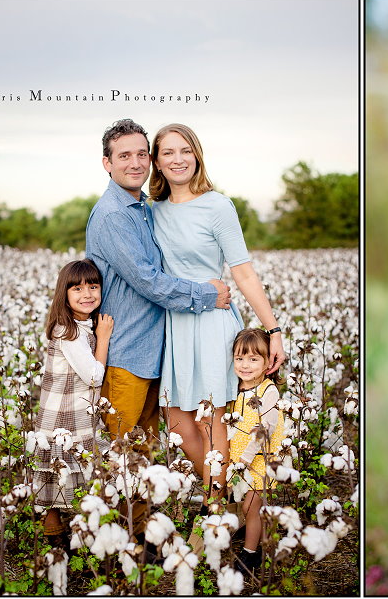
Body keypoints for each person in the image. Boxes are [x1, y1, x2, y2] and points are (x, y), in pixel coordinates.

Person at [86, 119, 232, 538]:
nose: (135, 163)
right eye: (124, 155)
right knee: (123, 457)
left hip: (152, 352)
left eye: (140, 154)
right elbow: (149, 280)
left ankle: (145, 536)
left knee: (145, 454)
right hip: (126, 354)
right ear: (107, 163)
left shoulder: (142, 210)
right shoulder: (115, 215)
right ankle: (121, 546)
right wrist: (208, 294)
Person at [148, 123, 284, 504]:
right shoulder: (150, 212)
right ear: (156, 162)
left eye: (185, 150)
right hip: (174, 325)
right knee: (177, 422)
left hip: (211, 322)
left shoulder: (217, 205)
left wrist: (273, 329)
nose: (178, 159)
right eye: (168, 152)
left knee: (211, 420)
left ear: (197, 156)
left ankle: (214, 506)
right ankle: (223, 496)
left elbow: (242, 271)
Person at [33, 260, 113, 549]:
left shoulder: (79, 325)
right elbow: (93, 376)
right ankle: (54, 530)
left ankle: (70, 527)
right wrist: (103, 338)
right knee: (59, 468)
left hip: (77, 411)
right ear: (63, 294)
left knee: (68, 469)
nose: (87, 294)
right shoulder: (68, 331)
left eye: (93, 286)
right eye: (77, 288)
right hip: (63, 415)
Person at [229, 328, 285, 574]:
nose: (245, 365)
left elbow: (266, 428)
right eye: (239, 358)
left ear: (267, 363)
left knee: (249, 507)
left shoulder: (268, 391)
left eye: (253, 359)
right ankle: (267, 544)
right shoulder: (235, 388)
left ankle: (250, 554)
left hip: (261, 461)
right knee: (253, 508)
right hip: (240, 461)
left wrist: (247, 458)